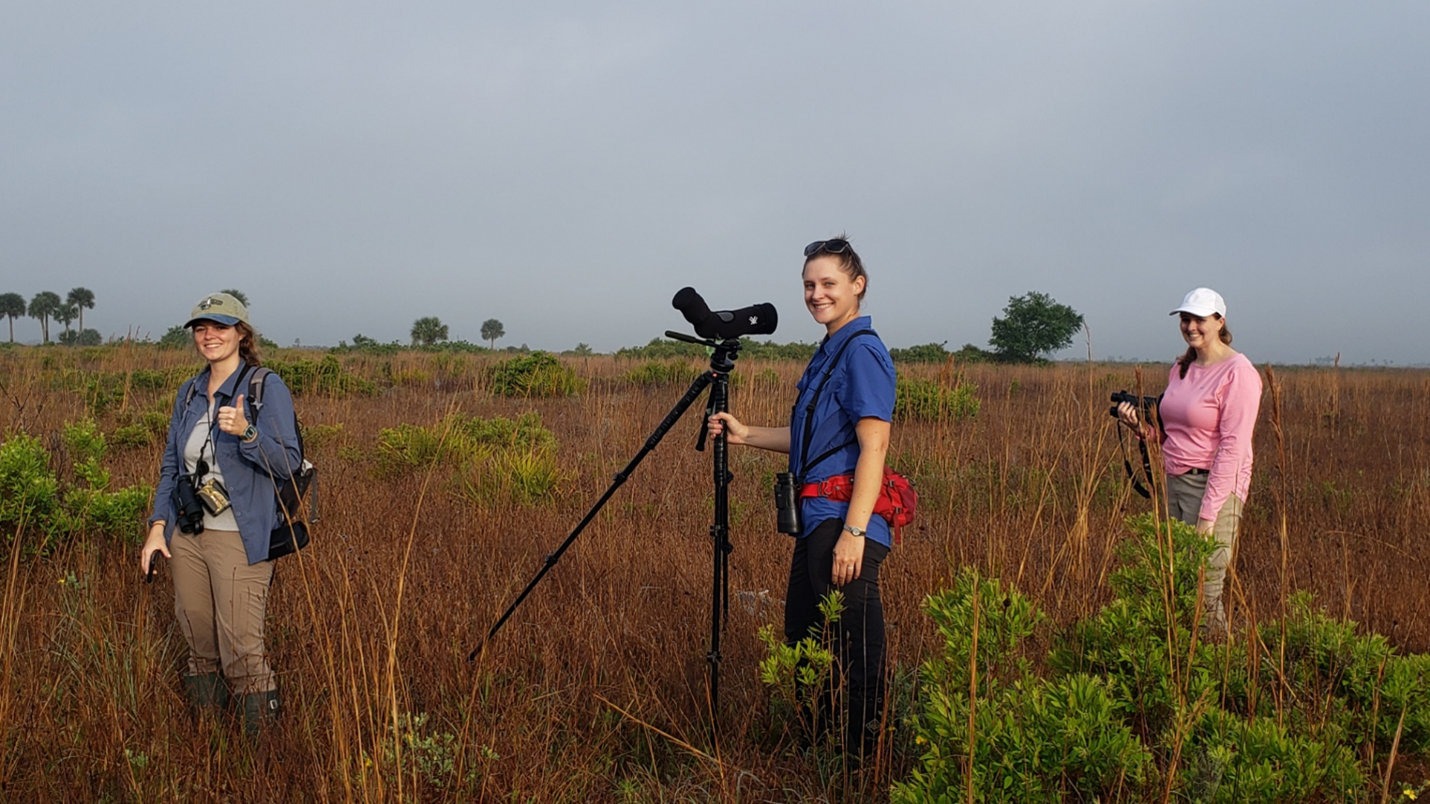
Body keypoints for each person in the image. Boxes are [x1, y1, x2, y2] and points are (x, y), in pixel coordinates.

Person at [708, 236, 897, 757]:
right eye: (809, 285)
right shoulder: (829, 352)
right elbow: (811, 438)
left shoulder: (862, 351)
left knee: (855, 650)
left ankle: (859, 766)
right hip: (816, 519)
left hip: (843, 520)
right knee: (805, 642)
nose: (817, 294)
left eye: (829, 283)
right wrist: (746, 434)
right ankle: (818, 753)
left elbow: (873, 445)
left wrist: (854, 533)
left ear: (857, 286)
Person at [140, 292, 302, 736]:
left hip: (239, 536)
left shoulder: (265, 387)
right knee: (199, 645)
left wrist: (248, 433)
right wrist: (158, 529)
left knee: (243, 652)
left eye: (220, 327)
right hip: (187, 536)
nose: (209, 335)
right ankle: (210, 747)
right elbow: (171, 466)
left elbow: (289, 462)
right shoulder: (189, 392)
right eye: (201, 328)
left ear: (242, 333)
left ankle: (260, 760)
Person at [1117, 287, 1261, 637]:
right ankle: (1180, 667)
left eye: (1200, 319)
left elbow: (1233, 448)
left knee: (1206, 591)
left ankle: (1220, 670)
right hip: (1175, 484)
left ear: (1219, 321)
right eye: (1186, 319)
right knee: (1177, 584)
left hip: (1215, 489)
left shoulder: (1239, 373)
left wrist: (1208, 517)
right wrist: (1141, 429)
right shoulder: (1181, 367)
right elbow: (1173, 435)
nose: (1191, 326)